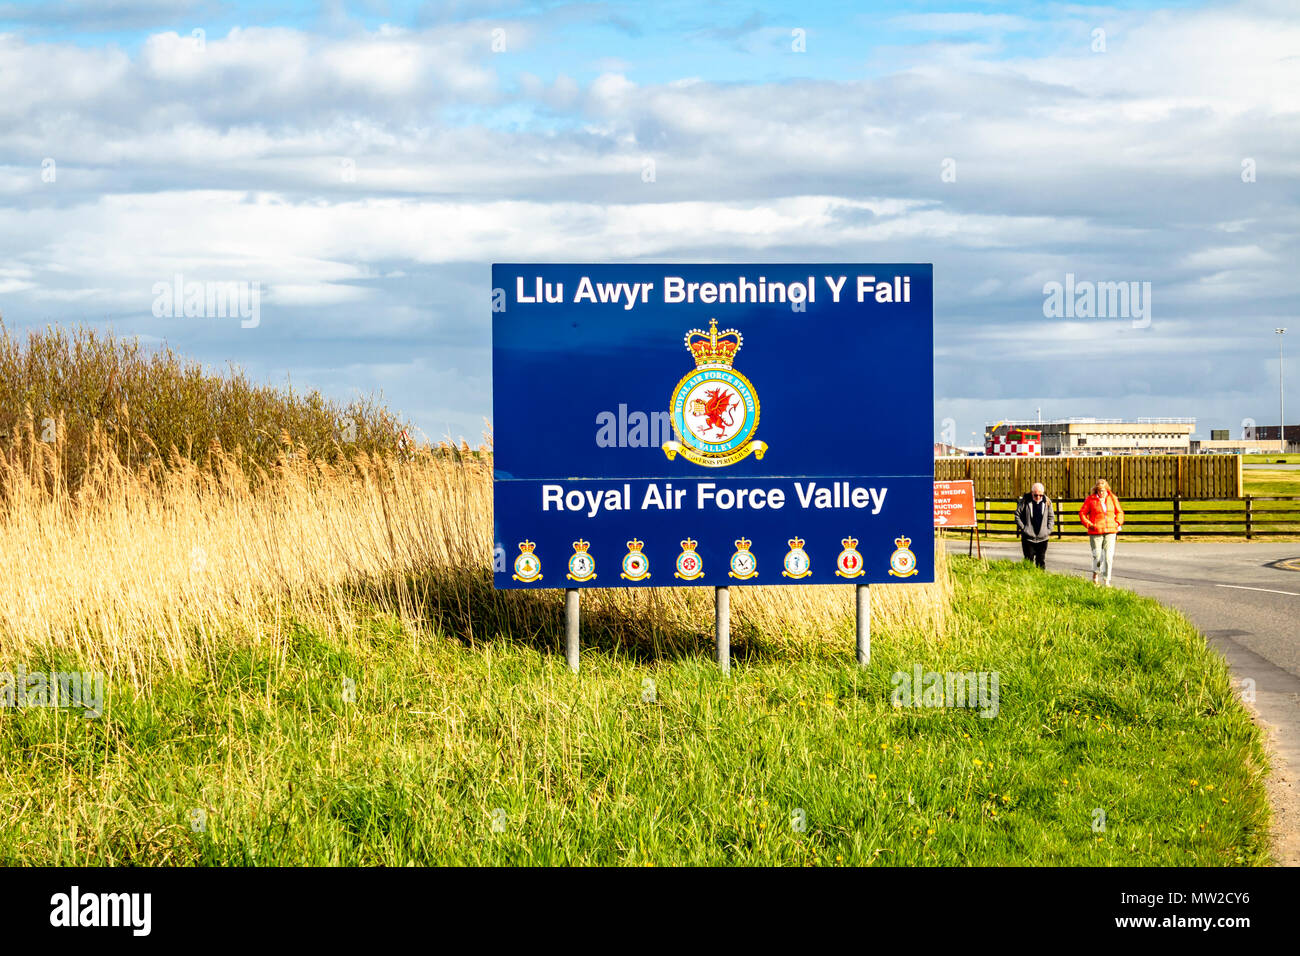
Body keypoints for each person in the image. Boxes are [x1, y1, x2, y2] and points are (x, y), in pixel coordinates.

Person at [1078, 478, 1125, 586]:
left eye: (1103, 490)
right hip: (1096, 531)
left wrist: (1117, 523)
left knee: (1108, 556)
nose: (1101, 492)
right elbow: (1082, 513)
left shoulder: (1112, 498)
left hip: (1111, 531)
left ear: (1107, 489)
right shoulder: (1090, 499)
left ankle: (1107, 580)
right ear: (1096, 490)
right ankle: (1096, 575)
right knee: (1097, 556)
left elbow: (1120, 512)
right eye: (1099, 490)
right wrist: (1089, 524)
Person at [1014, 482, 1054, 568]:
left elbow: (1051, 517)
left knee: (1041, 562)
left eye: (1040, 495)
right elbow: (1017, 515)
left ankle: (1040, 580)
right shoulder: (1025, 501)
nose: (1038, 497)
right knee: (1028, 562)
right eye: (1036, 495)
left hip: (1043, 539)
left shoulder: (1047, 502)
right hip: (1028, 539)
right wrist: (1024, 528)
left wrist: (1048, 530)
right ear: (1032, 493)